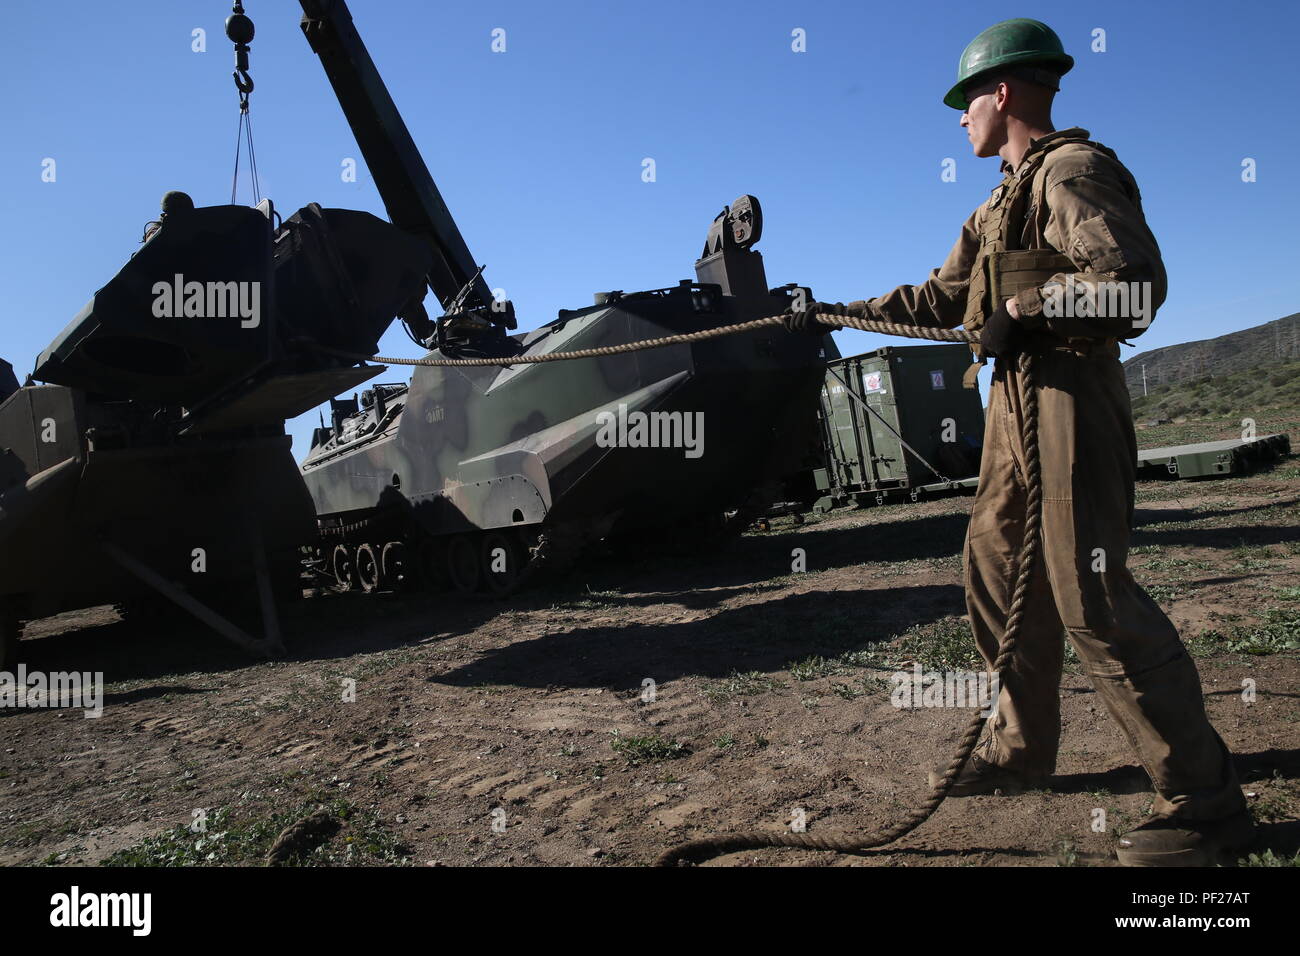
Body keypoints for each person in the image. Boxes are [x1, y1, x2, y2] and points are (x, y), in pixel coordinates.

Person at [786, 18, 1253, 866]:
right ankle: (1020, 748)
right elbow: (940, 299)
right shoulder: (1001, 200)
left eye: (966, 101)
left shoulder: (1074, 172)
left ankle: (1206, 802)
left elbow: (1132, 286)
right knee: (997, 570)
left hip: (1070, 401)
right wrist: (825, 311)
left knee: (1092, 595)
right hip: (1014, 413)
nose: (959, 118)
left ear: (1001, 93)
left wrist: (1024, 312)